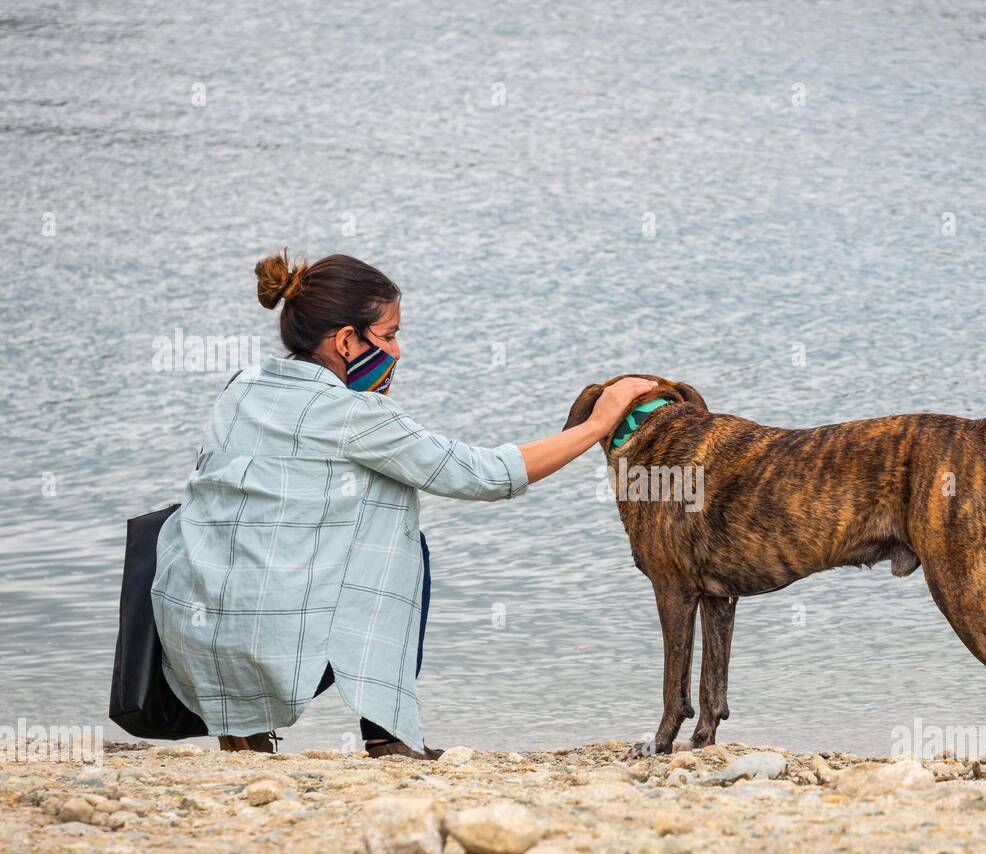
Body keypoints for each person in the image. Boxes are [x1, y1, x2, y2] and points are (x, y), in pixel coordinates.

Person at [151, 249, 653, 759]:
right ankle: (388, 737)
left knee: (315, 515)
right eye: (388, 335)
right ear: (347, 340)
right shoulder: (354, 415)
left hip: (196, 641)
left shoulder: (241, 389)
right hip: (276, 644)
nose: (398, 350)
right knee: (398, 530)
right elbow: (484, 475)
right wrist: (596, 425)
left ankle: (245, 729)